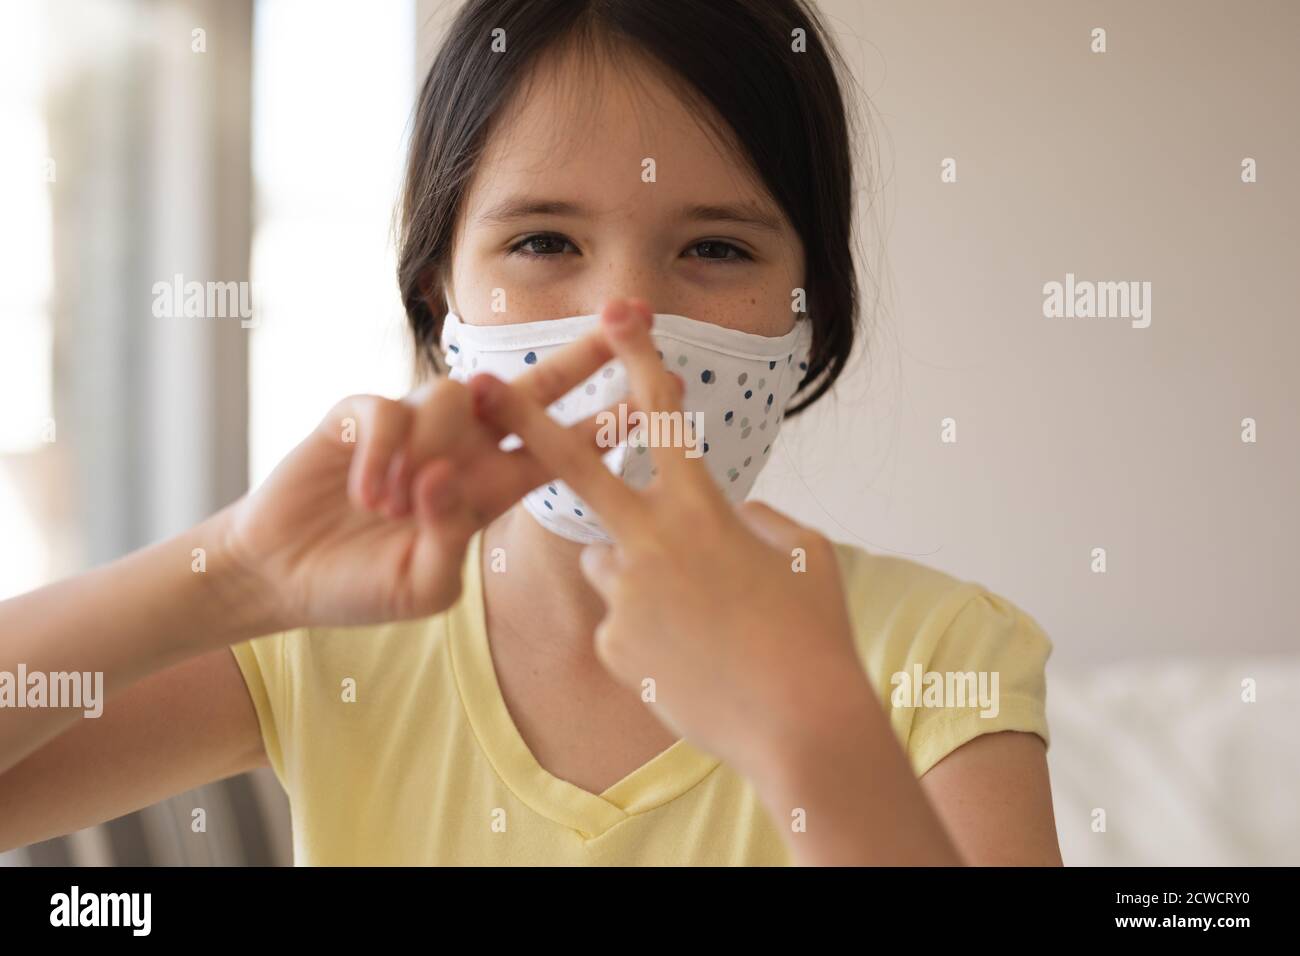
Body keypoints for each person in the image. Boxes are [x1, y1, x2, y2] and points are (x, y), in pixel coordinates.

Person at [0, 0, 1061, 865]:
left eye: (718, 249)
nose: (624, 318)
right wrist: (232, 574)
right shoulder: (326, 641)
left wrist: (811, 740)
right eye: (545, 238)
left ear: (809, 308)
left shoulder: (936, 650)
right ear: (440, 296)